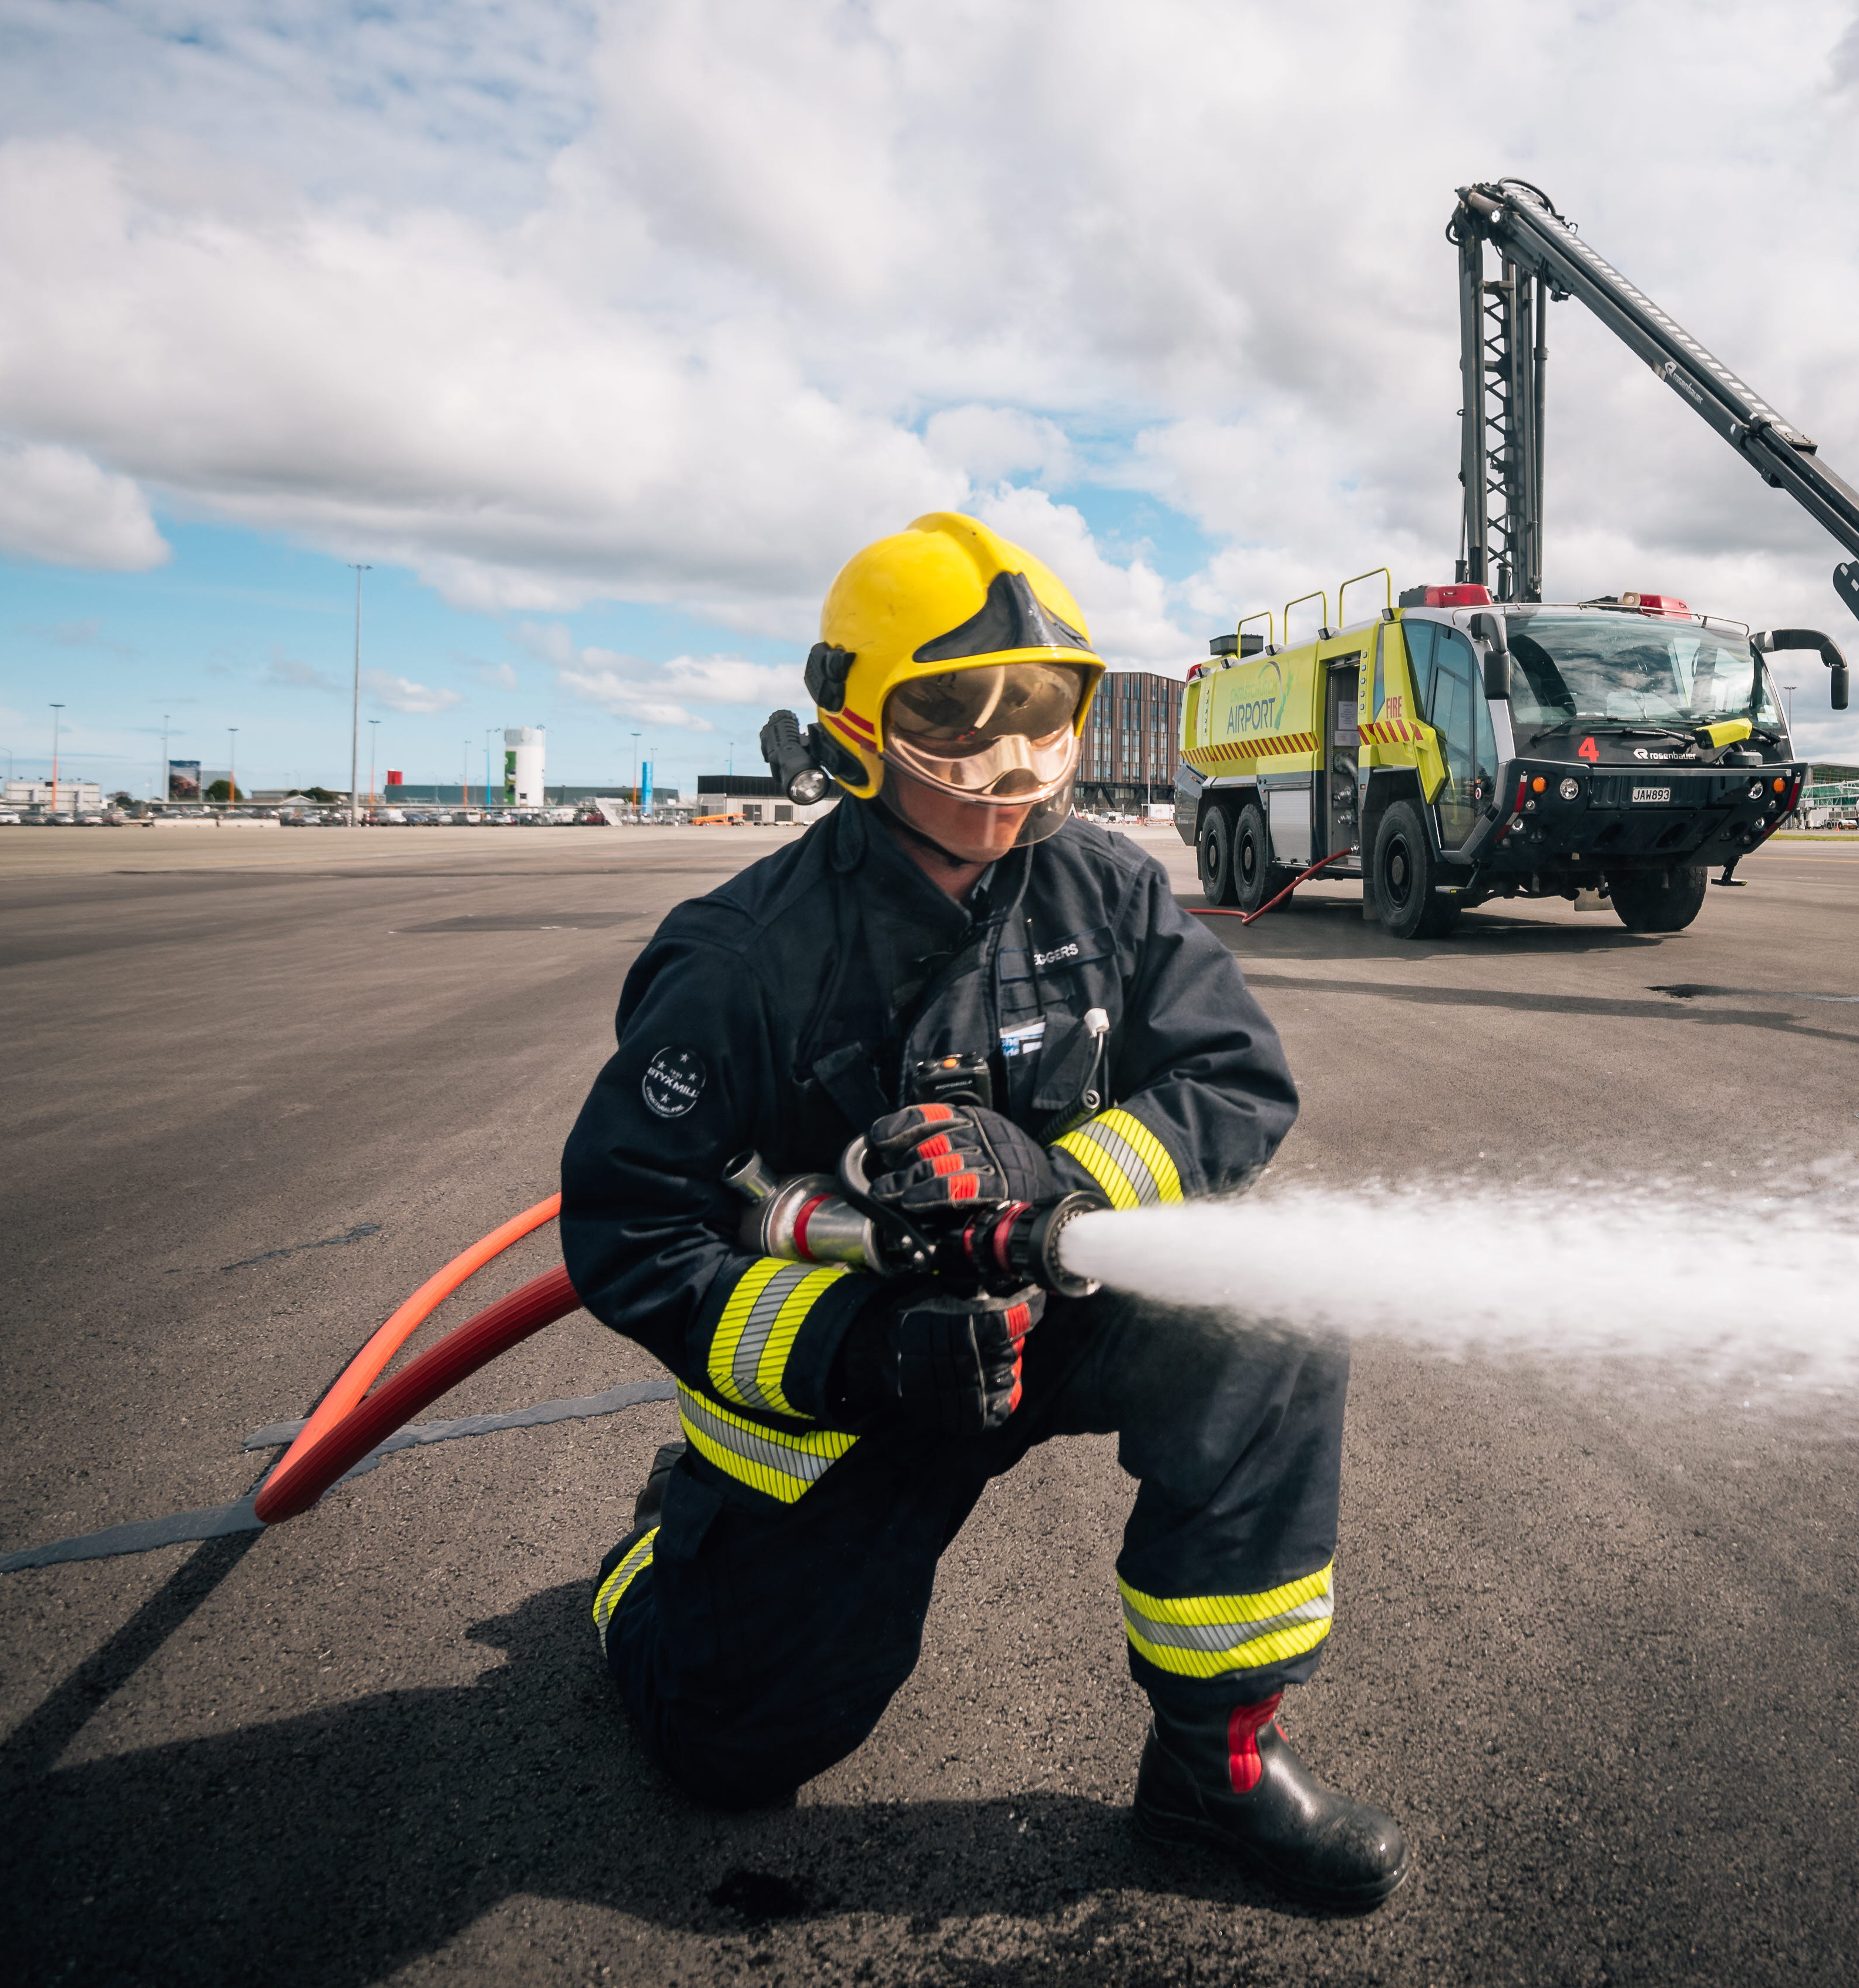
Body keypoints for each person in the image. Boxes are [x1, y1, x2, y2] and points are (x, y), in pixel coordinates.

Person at [559, 513, 1406, 1909]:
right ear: (852, 725)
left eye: (1042, 710)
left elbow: (1233, 1079)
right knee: (732, 1753)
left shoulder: (1106, 888)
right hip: (850, 1391)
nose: (1009, 764)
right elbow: (630, 1230)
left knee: (1274, 1302)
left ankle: (1216, 1762)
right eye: (954, 713)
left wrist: (1056, 1188)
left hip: (1056, 1305)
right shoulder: (739, 962)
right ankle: (656, 1565)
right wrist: (858, 1347)